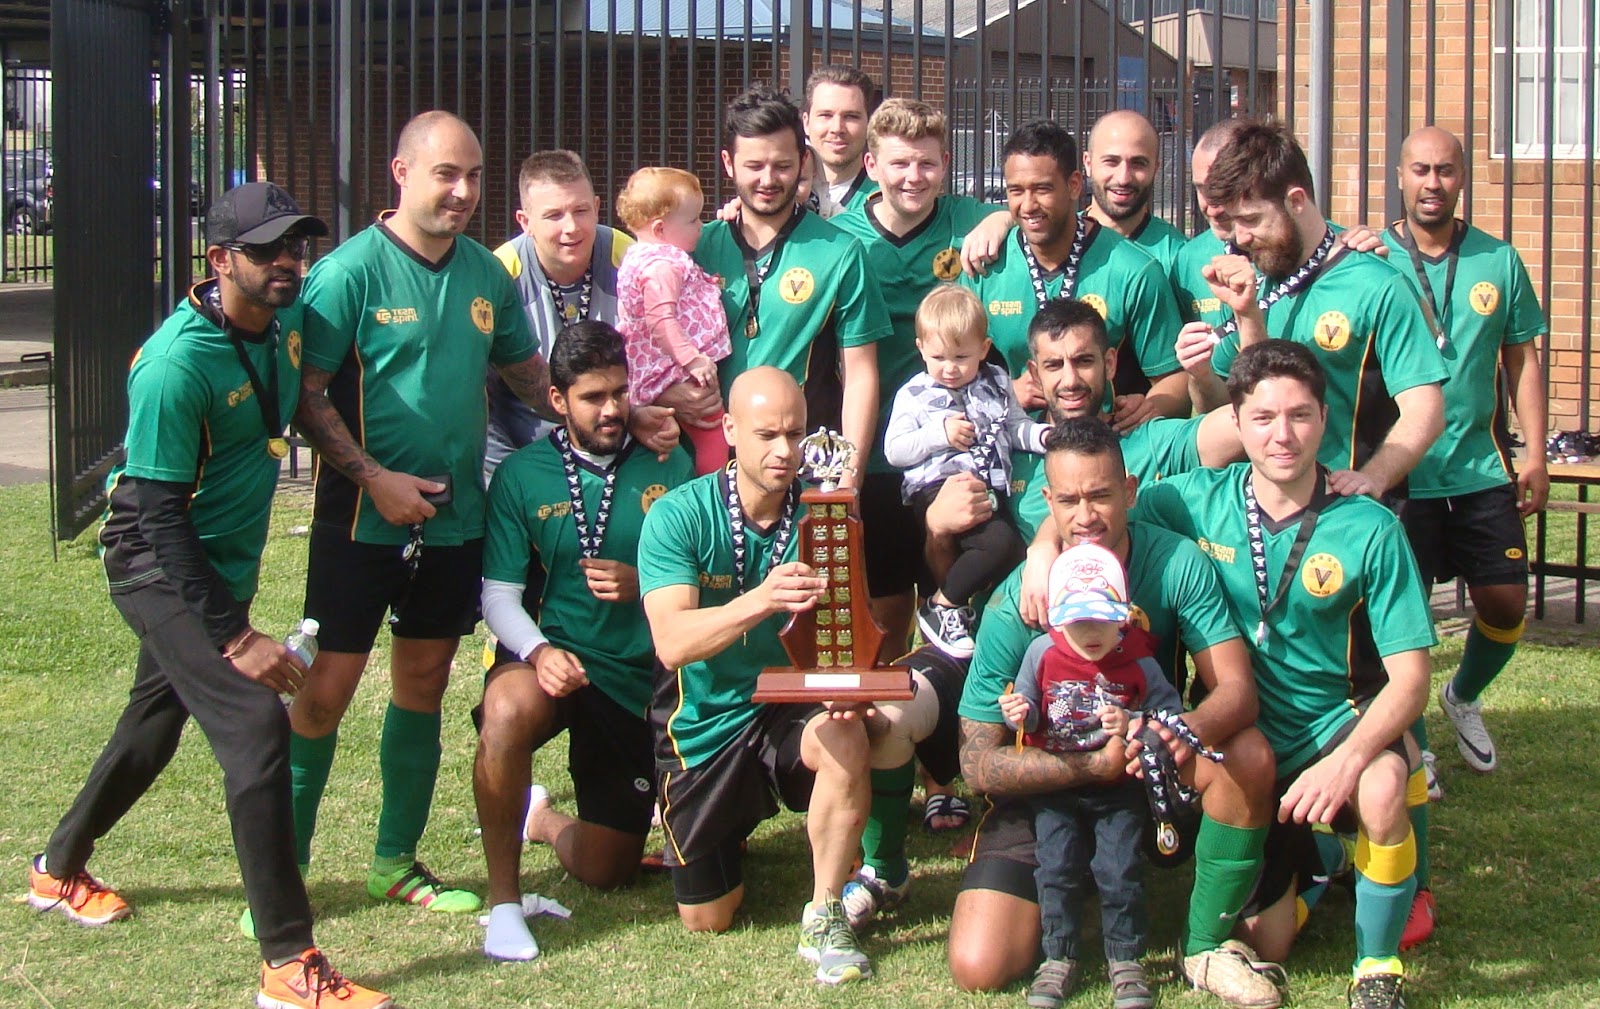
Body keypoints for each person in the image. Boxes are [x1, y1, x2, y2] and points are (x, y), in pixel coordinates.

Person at [289, 112, 673, 920]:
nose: (461, 191)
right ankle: (283, 868)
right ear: (402, 174)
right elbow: (308, 395)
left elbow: (534, 376)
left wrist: (614, 412)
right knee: (324, 692)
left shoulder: (483, 275)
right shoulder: (346, 273)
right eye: (444, 175)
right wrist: (372, 476)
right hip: (360, 520)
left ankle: (395, 859)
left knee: (423, 683)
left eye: (472, 176)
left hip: (456, 519)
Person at [27, 183, 390, 1009]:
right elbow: (153, 513)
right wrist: (235, 636)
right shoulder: (174, 363)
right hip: (155, 562)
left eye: (297, 248)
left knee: (151, 727)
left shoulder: (287, 323)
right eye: (268, 252)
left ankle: (56, 867)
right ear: (219, 260)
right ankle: (288, 963)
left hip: (214, 566)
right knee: (255, 722)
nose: (289, 265)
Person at [1136, 340, 1435, 1009]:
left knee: (1383, 786)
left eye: (1300, 415)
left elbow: (1412, 680)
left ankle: (1376, 970)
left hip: (1337, 724)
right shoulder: (1187, 502)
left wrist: (1347, 761)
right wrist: (1042, 549)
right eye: (1264, 416)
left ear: (1325, 420)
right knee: (1263, 941)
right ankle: (1325, 864)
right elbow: (1090, 511)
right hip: (1245, 739)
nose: (1282, 434)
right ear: (1235, 423)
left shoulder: (1370, 526)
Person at [951, 417, 1283, 1009]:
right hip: (1051, 787)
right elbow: (977, 764)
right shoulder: (1018, 602)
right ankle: (1069, 893)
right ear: (1046, 502)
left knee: (1249, 758)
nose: (1086, 515)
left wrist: (1172, 733)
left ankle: (1204, 944)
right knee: (980, 965)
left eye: (1101, 495)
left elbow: (1236, 692)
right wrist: (1089, 769)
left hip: (1144, 762)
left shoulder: (1175, 561)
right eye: (1070, 499)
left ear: (1129, 490)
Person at [639, 367, 877, 984]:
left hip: (787, 708)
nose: (784, 451)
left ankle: (827, 909)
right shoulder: (679, 515)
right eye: (767, 434)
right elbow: (671, 644)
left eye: (796, 434)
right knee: (709, 919)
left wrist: (850, 688)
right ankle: (545, 822)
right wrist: (763, 600)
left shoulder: (825, 513)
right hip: (704, 720)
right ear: (730, 431)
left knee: (845, 733)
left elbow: (852, 626)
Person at [474, 321, 695, 961]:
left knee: (609, 868)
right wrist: (540, 652)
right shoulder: (522, 475)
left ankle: (540, 819)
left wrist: (648, 583)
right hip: (556, 661)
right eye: (593, 397)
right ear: (557, 400)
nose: (610, 410)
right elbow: (499, 594)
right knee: (507, 710)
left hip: (636, 679)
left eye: (620, 393)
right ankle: (504, 904)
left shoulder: (667, 460)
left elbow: (702, 576)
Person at [1383, 126, 1550, 949]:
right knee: (1401, 625)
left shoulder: (1499, 260)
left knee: (1506, 603)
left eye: (1447, 169)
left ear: (1460, 179)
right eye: (1421, 169)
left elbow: (1523, 358)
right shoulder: (1370, 257)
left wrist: (1538, 447)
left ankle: (1465, 694)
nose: (1434, 182)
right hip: (1402, 471)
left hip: (1480, 467)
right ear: (1400, 175)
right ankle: (1415, 748)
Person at [830, 95, 1012, 660]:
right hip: (883, 454)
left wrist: (1001, 216)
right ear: (872, 167)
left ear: (946, 163)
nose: (914, 177)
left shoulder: (965, 221)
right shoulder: (840, 238)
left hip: (959, 458)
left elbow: (1037, 212)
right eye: (900, 163)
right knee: (885, 608)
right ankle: (892, 731)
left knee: (958, 592)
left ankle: (950, 724)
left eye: (927, 163)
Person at [1176, 119, 1445, 500]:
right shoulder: (1250, 280)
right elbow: (1230, 413)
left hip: (1346, 514)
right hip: (1261, 513)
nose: (1241, 237)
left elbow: (1426, 409)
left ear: (1296, 201)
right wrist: (1201, 373)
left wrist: (1374, 478)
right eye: (1234, 223)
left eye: (1251, 220)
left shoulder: (1375, 283)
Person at [997, 544, 1184, 1009]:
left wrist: (1135, 721)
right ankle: (1058, 956)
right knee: (1056, 867)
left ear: (1122, 617)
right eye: (1079, 621)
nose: (1091, 632)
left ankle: (1125, 958)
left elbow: (1171, 715)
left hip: (1118, 789)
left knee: (1118, 869)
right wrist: (1018, 712)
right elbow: (1031, 712)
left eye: (1102, 620)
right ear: (1058, 619)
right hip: (1057, 786)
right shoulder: (1042, 653)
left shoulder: (1139, 662)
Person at [694, 85, 889, 484]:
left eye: (782, 165)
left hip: (804, 469)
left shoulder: (841, 251)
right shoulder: (697, 249)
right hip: (705, 466)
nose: (768, 179)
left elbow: (861, 374)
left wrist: (849, 476)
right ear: (728, 164)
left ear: (803, 161)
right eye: (754, 166)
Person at [961, 118, 1189, 428]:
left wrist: (1151, 406)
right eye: (1016, 191)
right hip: (1009, 454)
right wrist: (1007, 392)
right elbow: (945, 373)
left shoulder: (1135, 270)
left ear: (1074, 185)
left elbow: (1175, 379)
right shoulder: (983, 266)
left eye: (1043, 189)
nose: (1028, 205)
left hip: (1101, 451)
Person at [485, 150, 678, 473]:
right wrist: (506, 478)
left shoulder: (631, 259)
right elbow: (482, 403)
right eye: (554, 216)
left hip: (621, 448)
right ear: (525, 222)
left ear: (598, 207)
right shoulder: (500, 274)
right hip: (526, 460)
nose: (572, 227)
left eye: (581, 210)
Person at [883, 284, 1047, 657]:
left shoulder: (997, 383)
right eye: (938, 356)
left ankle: (958, 608)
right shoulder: (914, 393)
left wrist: (1043, 437)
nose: (949, 368)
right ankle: (942, 606)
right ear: (920, 348)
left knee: (1008, 549)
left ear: (984, 349)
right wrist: (939, 434)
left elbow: (1014, 426)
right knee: (1001, 543)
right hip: (937, 488)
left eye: (961, 356)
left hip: (988, 486)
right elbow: (894, 451)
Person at [614, 166, 732, 474]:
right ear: (660, 230)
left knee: (670, 439)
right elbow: (660, 319)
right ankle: (711, 494)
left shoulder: (639, 258)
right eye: (693, 220)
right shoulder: (662, 266)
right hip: (674, 370)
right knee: (714, 436)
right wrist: (691, 360)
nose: (701, 227)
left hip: (659, 368)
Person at [1082, 110, 1186, 292]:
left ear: (1155, 168)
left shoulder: (1178, 256)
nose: (1123, 178)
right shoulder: (1058, 241)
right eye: (1111, 162)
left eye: (1138, 163)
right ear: (1088, 164)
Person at [803, 64, 878, 215]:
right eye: (826, 115)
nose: (837, 128)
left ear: (869, 124)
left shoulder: (885, 202)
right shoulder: (781, 196)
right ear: (806, 123)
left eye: (851, 116)